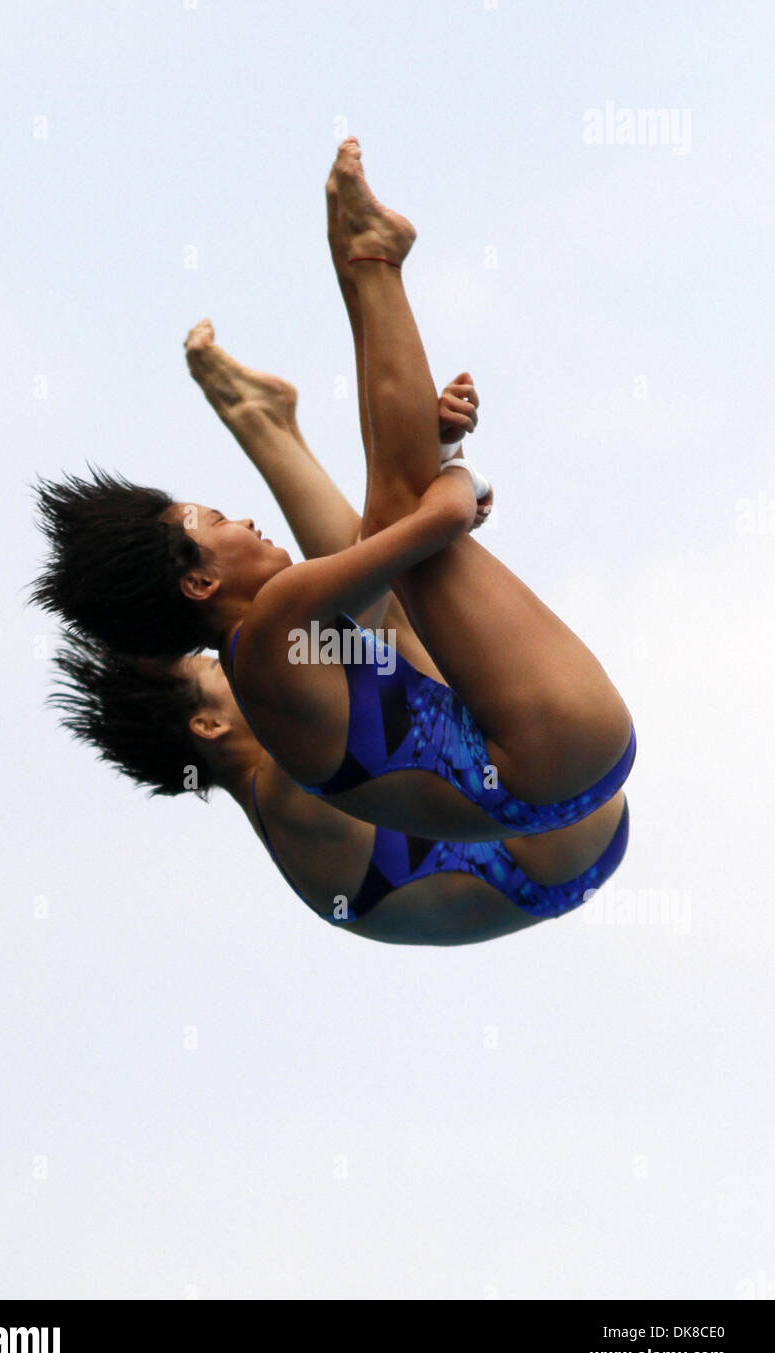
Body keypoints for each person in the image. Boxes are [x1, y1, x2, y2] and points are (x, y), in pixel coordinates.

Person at [33, 138, 634, 851]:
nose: (246, 519)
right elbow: (439, 515)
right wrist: (451, 469)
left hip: (562, 775)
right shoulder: (275, 625)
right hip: (551, 752)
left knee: (390, 535)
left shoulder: (270, 657)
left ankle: (365, 264)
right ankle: (370, 262)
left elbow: (424, 524)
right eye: (220, 520)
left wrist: (445, 462)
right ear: (199, 579)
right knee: (402, 520)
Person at [50, 356, 629, 947]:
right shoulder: (286, 798)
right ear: (208, 724)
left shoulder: (290, 714)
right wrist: (438, 472)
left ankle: (267, 424)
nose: (226, 666)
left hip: (539, 817)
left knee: (365, 609)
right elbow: (366, 591)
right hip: (550, 857)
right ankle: (266, 426)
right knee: (374, 609)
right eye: (211, 672)